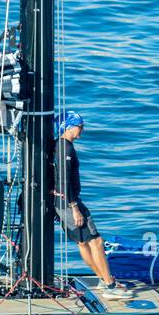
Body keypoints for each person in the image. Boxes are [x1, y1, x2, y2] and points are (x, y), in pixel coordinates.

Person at [54, 110, 130, 300]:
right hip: (69, 203)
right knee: (96, 242)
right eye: (80, 126)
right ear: (70, 127)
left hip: (61, 202)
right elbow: (64, 181)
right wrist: (74, 207)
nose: (82, 130)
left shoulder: (58, 146)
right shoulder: (66, 149)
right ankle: (110, 286)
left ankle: (104, 279)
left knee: (83, 243)